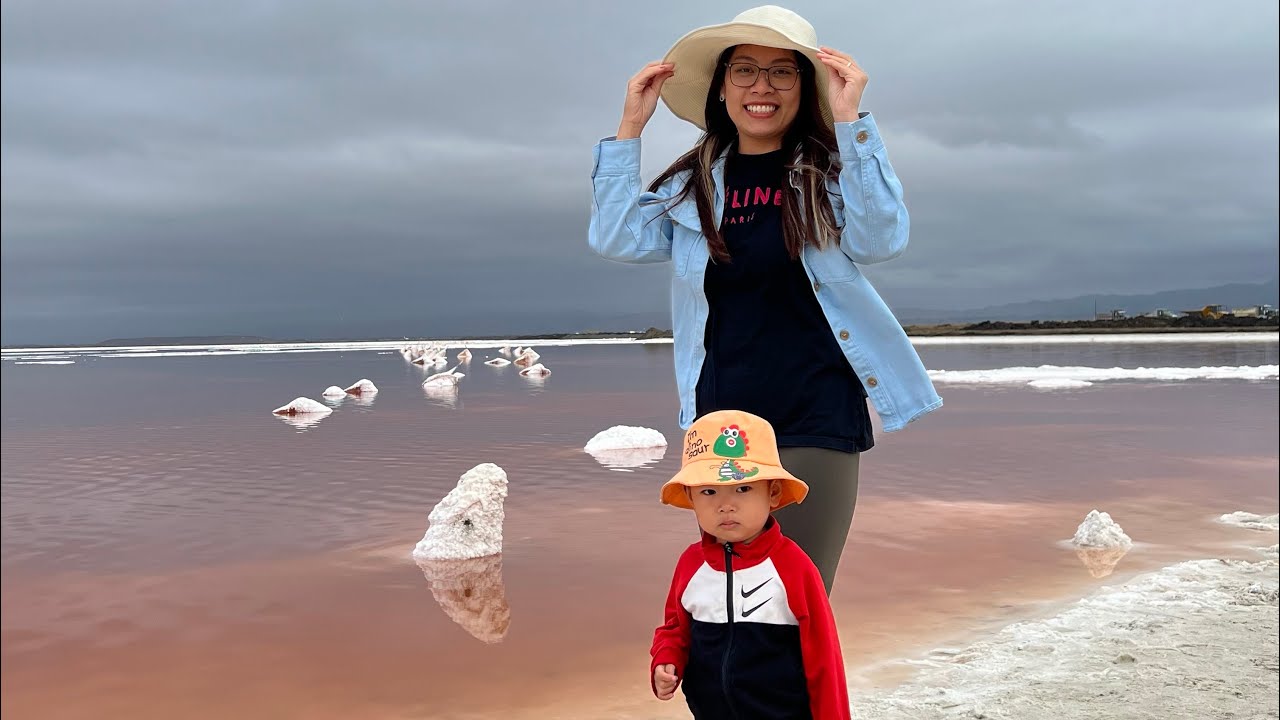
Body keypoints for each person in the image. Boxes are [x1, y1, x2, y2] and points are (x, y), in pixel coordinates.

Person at [587, 5, 941, 595]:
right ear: (722, 87)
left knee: (799, 600)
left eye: (783, 72)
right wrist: (630, 130)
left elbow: (881, 240)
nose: (762, 86)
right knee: (731, 599)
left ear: (806, 87)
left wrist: (853, 121)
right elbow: (615, 236)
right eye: (745, 70)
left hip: (817, 412)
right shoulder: (693, 185)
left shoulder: (829, 173)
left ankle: (811, 692)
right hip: (722, 420)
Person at [649, 409, 850, 720]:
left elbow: (825, 657)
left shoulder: (793, 566)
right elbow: (675, 627)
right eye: (708, 491)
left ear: (771, 492)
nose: (725, 504)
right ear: (691, 497)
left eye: (743, 488)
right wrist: (666, 659)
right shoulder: (691, 564)